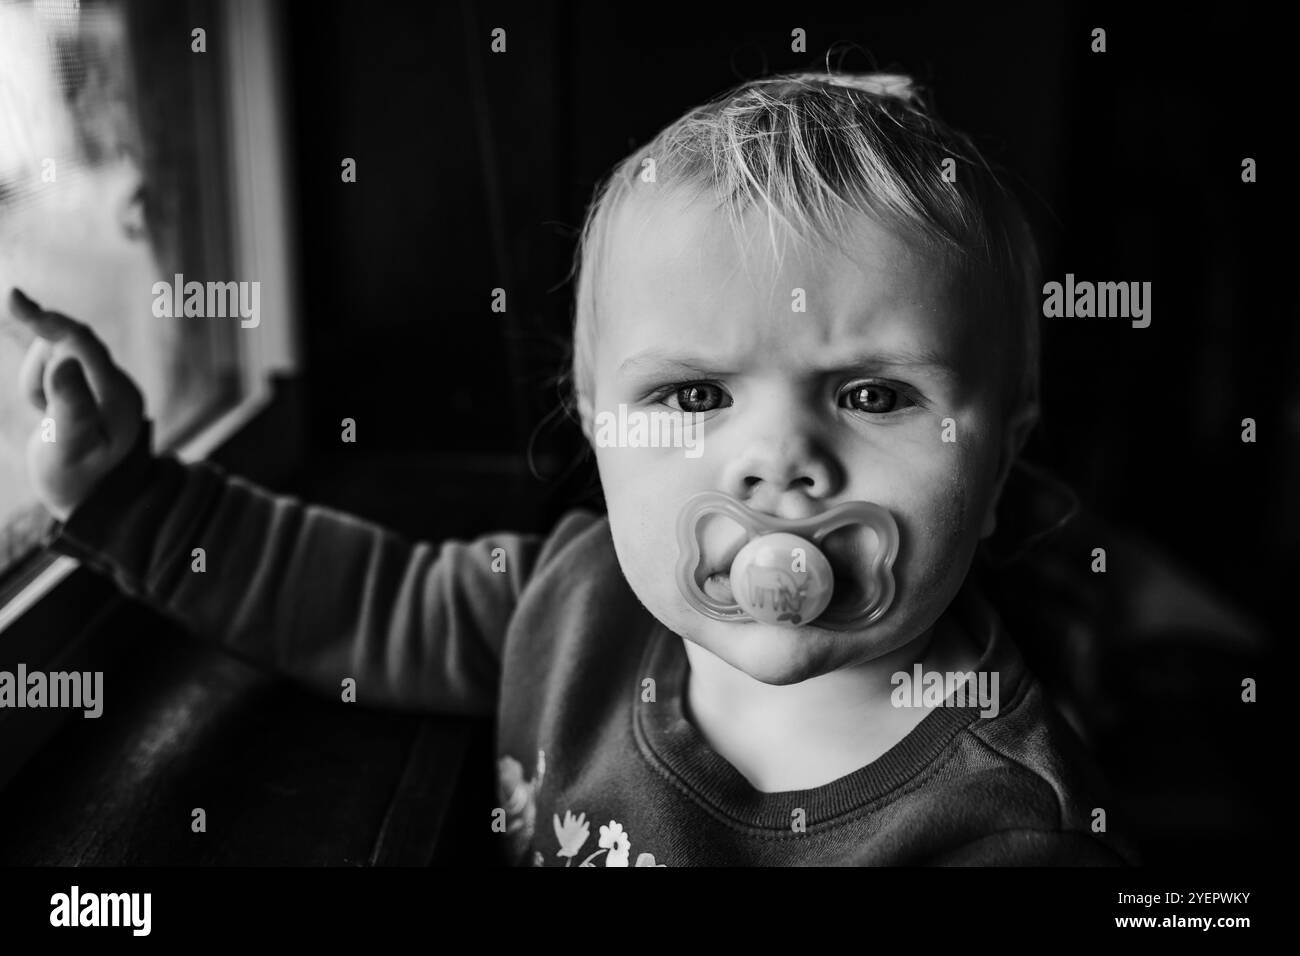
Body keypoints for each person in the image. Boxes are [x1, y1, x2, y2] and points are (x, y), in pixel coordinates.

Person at [9, 71, 1134, 866]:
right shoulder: (572, 601)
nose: (779, 462)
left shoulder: (1004, 826)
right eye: (693, 395)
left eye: (875, 394)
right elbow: (351, 600)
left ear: (999, 458)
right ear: (597, 429)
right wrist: (129, 496)